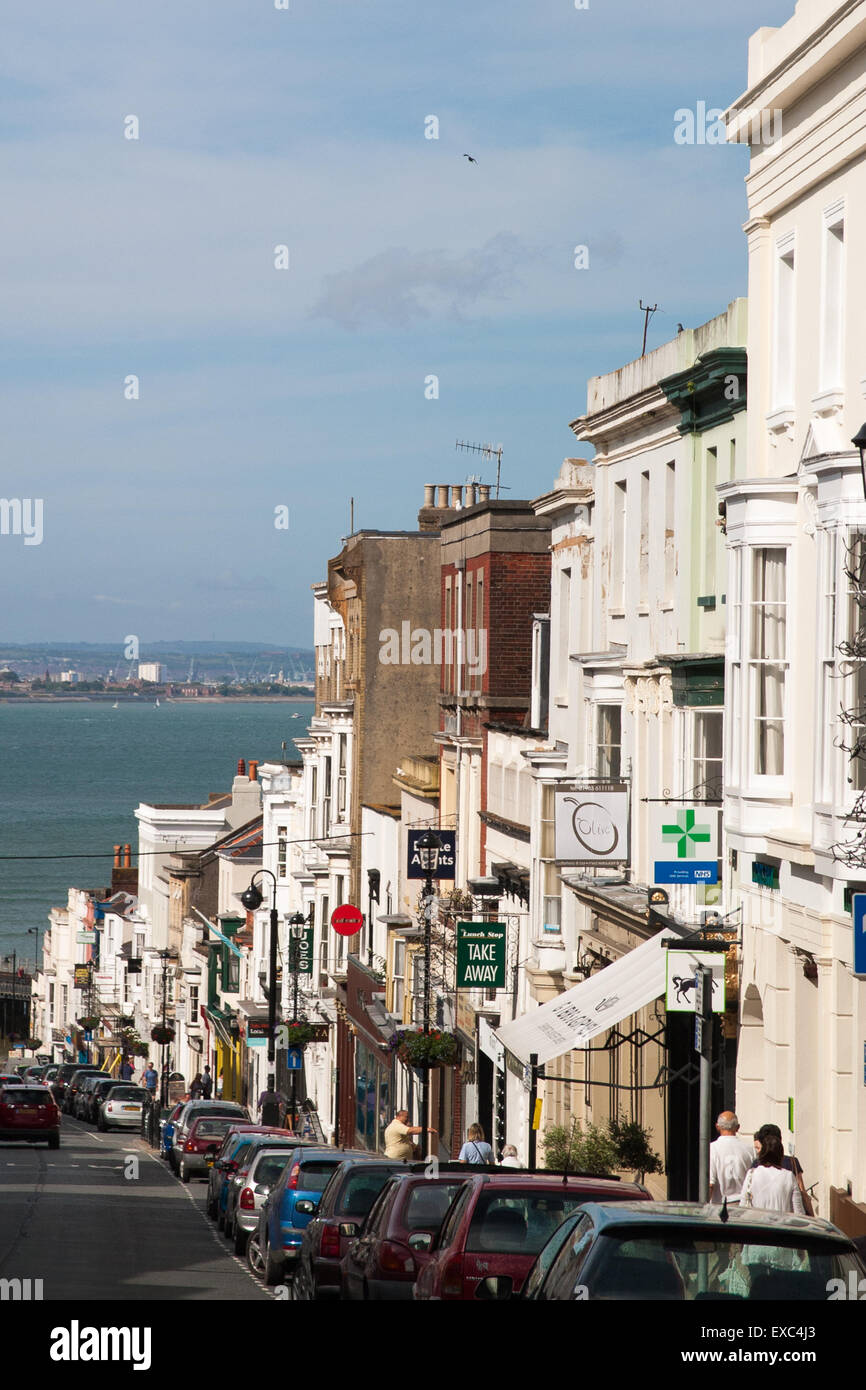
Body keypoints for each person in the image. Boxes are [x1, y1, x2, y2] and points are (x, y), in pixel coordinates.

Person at [750, 1123, 814, 1216]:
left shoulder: (755, 1166)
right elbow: (801, 1191)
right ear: (780, 1140)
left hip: (760, 1220)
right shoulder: (792, 1162)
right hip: (787, 1220)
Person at [740, 1129, 805, 1213]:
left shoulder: (751, 1174)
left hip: (758, 1223)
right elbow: (798, 1211)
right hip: (782, 1224)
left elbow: (743, 1205)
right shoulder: (789, 1176)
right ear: (781, 1156)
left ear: (762, 1154)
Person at [708, 1111, 754, 1205]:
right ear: (738, 1128)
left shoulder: (712, 1148)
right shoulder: (750, 1150)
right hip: (743, 1204)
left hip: (721, 1205)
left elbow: (711, 1184)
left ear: (717, 1127)